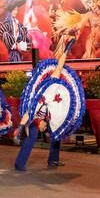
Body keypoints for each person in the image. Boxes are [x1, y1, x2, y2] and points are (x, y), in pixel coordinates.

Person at [13, 37, 80, 172]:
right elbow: (27, 115)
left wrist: (67, 49)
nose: (44, 129)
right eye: (44, 128)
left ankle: (53, 160)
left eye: (43, 128)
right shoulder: (38, 106)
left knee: (56, 130)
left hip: (51, 98)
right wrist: (20, 129)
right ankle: (19, 163)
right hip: (41, 104)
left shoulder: (53, 83)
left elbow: (60, 65)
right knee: (31, 135)